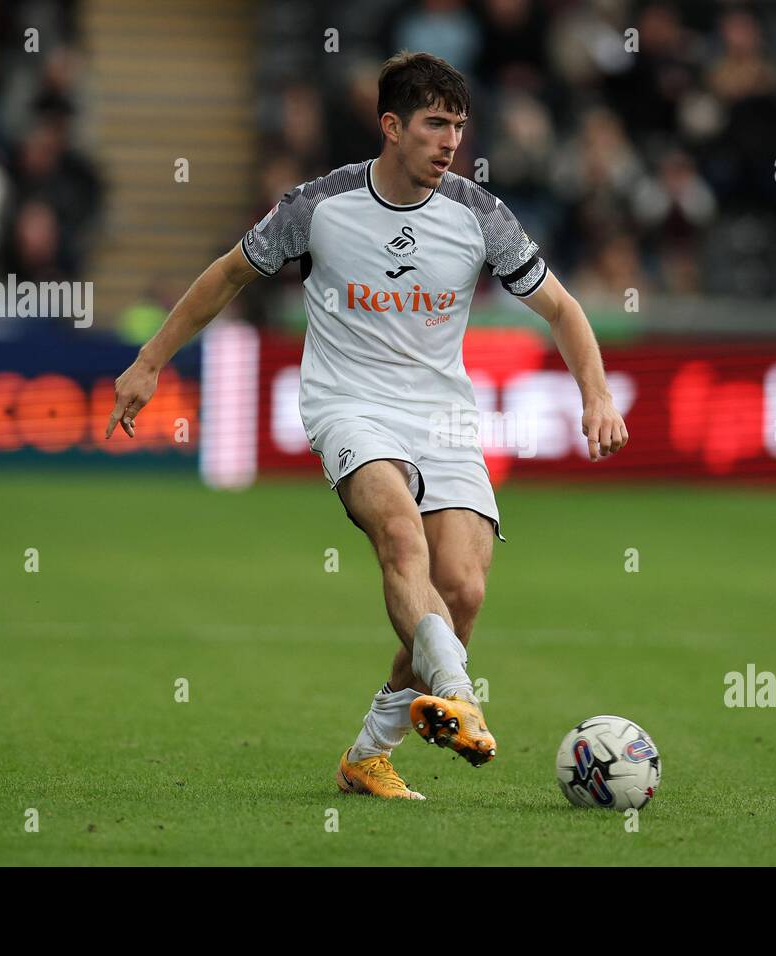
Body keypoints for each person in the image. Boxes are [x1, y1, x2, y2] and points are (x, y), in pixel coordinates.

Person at [105, 51, 628, 800]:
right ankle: (459, 694)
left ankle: (367, 756)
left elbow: (563, 308)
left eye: (458, 125)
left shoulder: (480, 215)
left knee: (464, 590)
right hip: (347, 405)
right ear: (391, 126)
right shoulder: (319, 206)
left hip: (442, 414)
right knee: (401, 536)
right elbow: (227, 273)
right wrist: (151, 361)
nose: (451, 141)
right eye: (435, 124)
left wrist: (597, 396)